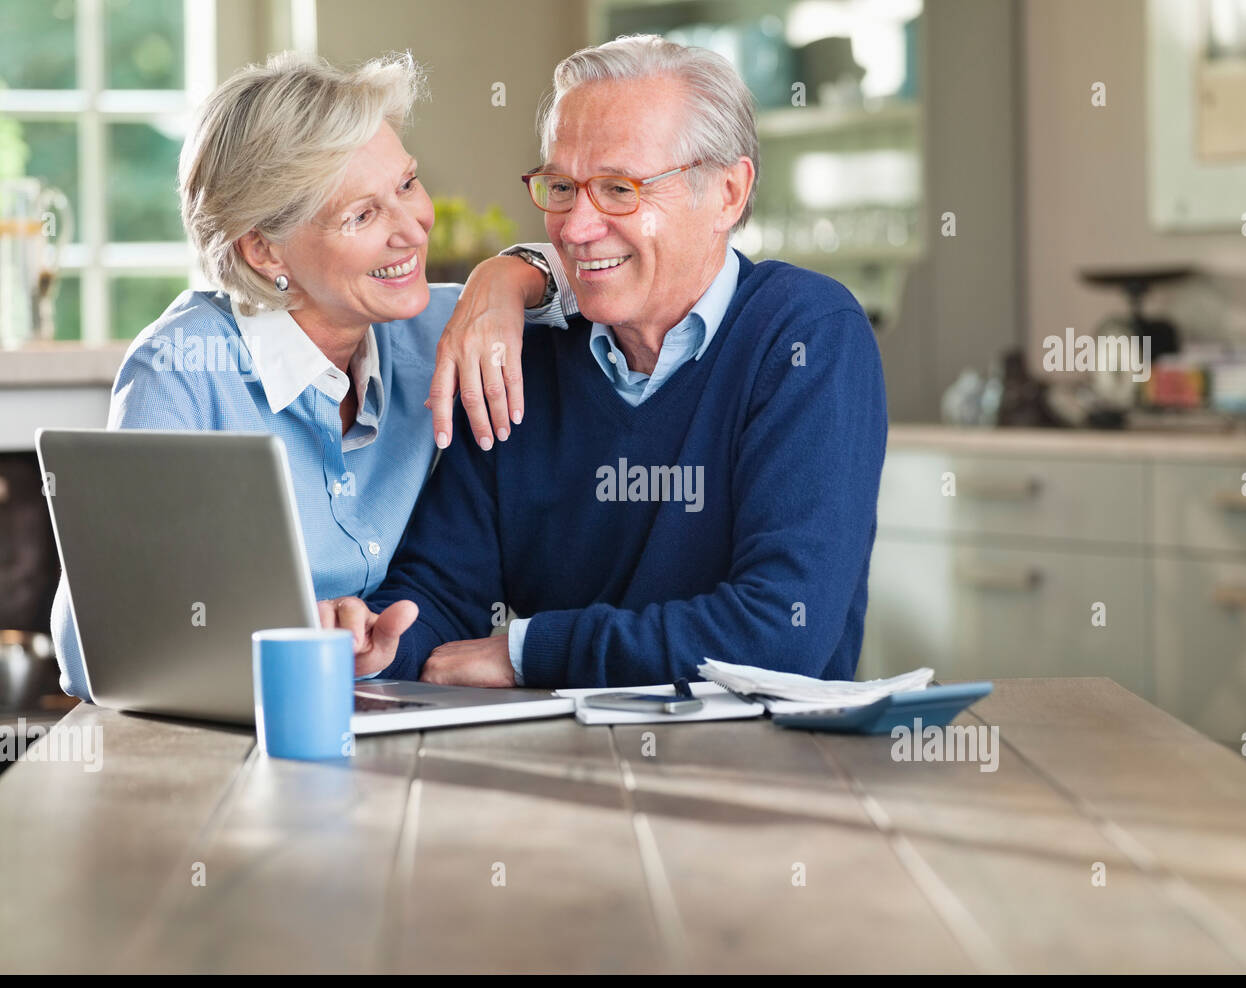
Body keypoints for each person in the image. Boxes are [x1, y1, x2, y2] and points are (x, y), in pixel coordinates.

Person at [322, 35, 888, 688]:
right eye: (561, 185)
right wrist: (379, 639)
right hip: (556, 769)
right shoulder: (525, 354)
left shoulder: (807, 336)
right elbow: (441, 593)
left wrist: (524, 652)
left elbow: (778, 633)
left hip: (755, 773)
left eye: (620, 188)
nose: (574, 226)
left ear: (727, 193)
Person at [50, 51, 579, 701]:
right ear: (264, 249)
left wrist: (507, 276)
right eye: (362, 215)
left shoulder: (437, 324)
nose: (412, 229)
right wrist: (289, 630)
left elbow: (606, 272)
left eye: (407, 184)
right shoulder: (184, 371)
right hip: (232, 737)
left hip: (379, 709)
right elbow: (91, 650)